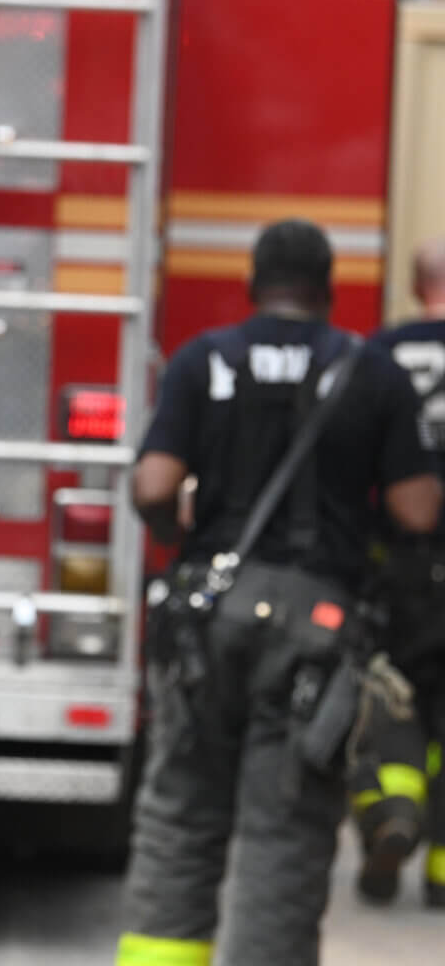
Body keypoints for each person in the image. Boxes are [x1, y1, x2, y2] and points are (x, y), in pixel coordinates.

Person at [116, 218, 442, 966]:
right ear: (329, 293)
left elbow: (155, 484)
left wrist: (182, 534)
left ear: (252, 287)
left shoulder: (205, 359)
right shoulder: (371, 371)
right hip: (316, 632)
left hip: (204, 618)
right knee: (284, 837)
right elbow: (418, 509)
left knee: (180, 820)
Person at [345, 236, 445, 907]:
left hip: (401, 561)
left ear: (416, 286)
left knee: (393, 695)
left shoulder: (378, 356)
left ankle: (391, 813)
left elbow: (349, 460)